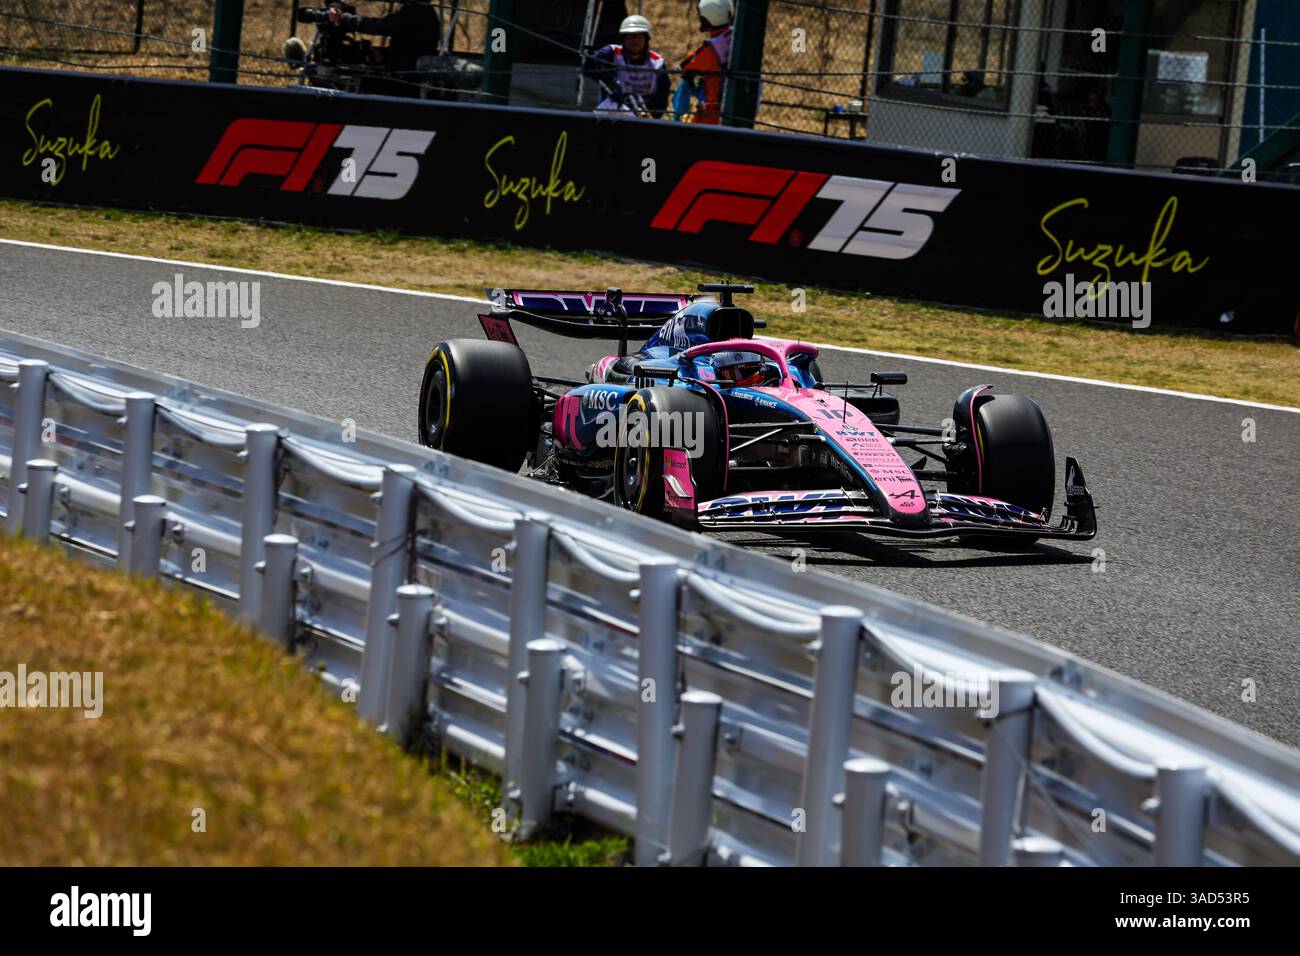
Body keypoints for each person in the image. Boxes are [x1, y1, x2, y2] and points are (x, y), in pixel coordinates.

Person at [582, 15, 670, 117]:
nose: (635, 41)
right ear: (623, 39)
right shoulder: (611, 52)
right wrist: (611, 82)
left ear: (646, 39)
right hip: (612, 110)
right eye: (630, 37)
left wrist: (653, 116)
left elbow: (662, 94)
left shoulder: (657, 61)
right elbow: (588, 67)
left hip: (643, 114)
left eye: (639, 37)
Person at [327, 1, 440, 79]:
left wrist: (344, 19)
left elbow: (381, 26)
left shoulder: (418, 12)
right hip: (404, 70)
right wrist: (383, 54)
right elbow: (408, 44)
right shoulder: (423, 11)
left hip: (406, 77)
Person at [678, 0, 734, 124]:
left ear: (710, 18)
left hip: (714, 110)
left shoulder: (712, 48)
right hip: (736, 105)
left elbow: (686, 65)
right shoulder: (736, 35)